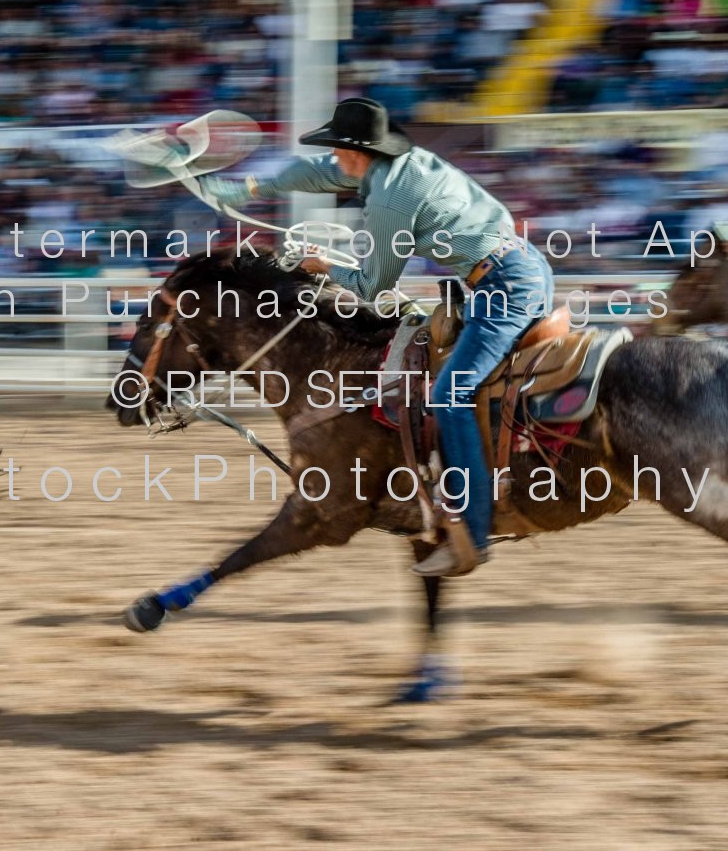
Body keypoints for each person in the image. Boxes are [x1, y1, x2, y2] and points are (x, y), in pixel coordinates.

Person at [196, 97, 554, 577]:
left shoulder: (389, 199)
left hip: (502, 286)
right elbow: (317, 173)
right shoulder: (404, 163)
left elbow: (372, 285)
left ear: (354, 152)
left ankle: (473, 530)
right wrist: (245, 189)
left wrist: (325, 265)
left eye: (336, 148)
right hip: (517, 269)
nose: (333, 157)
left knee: (449, 395)